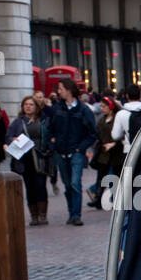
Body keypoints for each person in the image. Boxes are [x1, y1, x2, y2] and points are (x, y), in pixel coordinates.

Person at [41, 77, 97, 225]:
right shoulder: (57, 109)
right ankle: (71, 212)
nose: (58, 92)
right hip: (60, 151)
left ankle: (76, 215)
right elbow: (48, 128)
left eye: (61, 89)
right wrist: (52, 143)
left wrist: (81, 147)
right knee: (67, 184)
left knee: (75, 183)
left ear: (69, 90)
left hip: (76, 151)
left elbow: (92, 133)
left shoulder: (83, 110)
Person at [7, 94, 51, 225]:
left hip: (40, 157)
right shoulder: (18, 122)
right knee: (30, 187)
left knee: (40, 185)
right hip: (25, 159)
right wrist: (13, 140)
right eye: (26, 105)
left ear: (36, 107)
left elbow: (49, 135)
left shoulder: (43, 120)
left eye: (31, 104)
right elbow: (8, 136)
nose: (28, 107)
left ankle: (43, 215)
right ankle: (34, 216)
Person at [88, 95, 121, 208]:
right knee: (101, 177)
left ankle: (116, 199)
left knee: (115, 177)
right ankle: (98, 198)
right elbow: (97, 133)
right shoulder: (102, 119)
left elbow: (121, 135)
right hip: (103, 152)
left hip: (116, 152)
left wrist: (114, 144)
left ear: (110, 107)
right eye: (101, 106)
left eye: (103, 106)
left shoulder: (117, 118)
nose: (101, 109)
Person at [110, 84, 141, 153]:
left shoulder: (121, 114)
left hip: (130, 150)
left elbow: (115, 136)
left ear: (127, 96)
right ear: (140, 96)